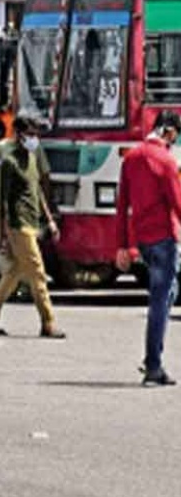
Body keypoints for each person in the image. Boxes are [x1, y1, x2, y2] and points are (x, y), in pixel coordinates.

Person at [0, 116, 66, 339]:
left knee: (14, 272)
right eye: (29, 133)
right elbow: (4, 201)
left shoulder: (32, 158)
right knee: (37, 272)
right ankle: (48, 321)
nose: (33, 138)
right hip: (19, 226)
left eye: (35, 134)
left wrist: (50, 220)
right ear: (18, 135)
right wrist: (4, 234)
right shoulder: (10, 163)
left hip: (32, 222)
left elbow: (37, 192)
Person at [114, 111, 181, 386]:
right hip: (164, 237)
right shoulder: (166, 161)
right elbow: (178, 201)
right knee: (160, 301)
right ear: (168, 131)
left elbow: (121, 205)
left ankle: (153, 360)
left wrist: (121, 245)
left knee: (166, 294)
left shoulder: (131, 158)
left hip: (143, 240)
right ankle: (153, 364)